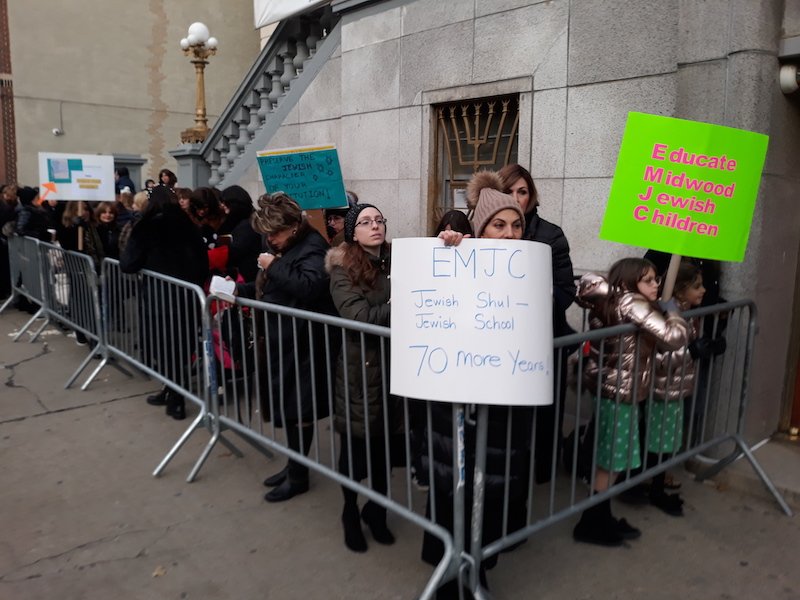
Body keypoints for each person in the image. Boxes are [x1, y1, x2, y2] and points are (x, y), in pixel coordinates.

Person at [424, 170, 530, 598]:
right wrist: (448, 251)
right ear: (481, 229)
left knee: (492, 488)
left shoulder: (529, 269)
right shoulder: (456, 260)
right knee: (455, 486)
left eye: (517, 224)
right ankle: (451, 569)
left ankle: (480, 565)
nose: (509, 234)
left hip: (502, 402)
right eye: (498, 225)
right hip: (457, 402)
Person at [573, 258, 689, 546]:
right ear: (629, 281)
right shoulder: (632, 304)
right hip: (619, 391)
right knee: (612, 461)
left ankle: (599, 516)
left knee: (612, 458)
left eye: (655, 279)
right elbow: (675, 337)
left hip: (614, 388)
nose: (656, 285)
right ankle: (592, 522)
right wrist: (673, 313)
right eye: (648, 280)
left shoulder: (613, 300)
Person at [236, 192, 337, 503]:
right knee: (291, 410)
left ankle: (298, 476)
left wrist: (271, 266)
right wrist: (240, 290)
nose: (270, 240)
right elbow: (278, 287)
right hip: (285, 341)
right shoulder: (290, 245)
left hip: (304, 345)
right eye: (267, 234)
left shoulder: (313, 246)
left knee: (300, 411)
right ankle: (295, 466)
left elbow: (308, 287)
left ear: (294, 226)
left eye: (275, 233)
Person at [499, 163, 576, 484]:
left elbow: (566, 289)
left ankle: (542, 468)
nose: (516, 198)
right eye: (509, 191)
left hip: (544, 338)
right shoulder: (486, 230)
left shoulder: (551, 235)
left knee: (545, 408)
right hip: (500, 340)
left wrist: (535, 299)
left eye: (523, 191)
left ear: (531, 196)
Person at [326, 202, 396, 553]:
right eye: (366, 222)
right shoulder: (342, 269)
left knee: (384, 448)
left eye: (379, 220)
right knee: (355, 450)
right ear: (353, 232)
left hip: (394, 370)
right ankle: (350, 512)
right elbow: (360, 317)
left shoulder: (399, 259)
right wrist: (407, 305)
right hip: (360, 372)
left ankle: (377, 512)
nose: (375, 226)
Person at [120, 185, 209, 420]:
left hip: (159, 301)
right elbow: (202, 263)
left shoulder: (147, 226)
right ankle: (170, 391)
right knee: (179, 350)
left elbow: (128, 263)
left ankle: (177, 398)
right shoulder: (189, 226)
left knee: (164, 350)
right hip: (187, 300)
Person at [219, 185, 261, 282]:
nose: (224, 208)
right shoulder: (243, 221)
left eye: (226, 205)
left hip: (248, 274)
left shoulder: (246, 226)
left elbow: (236, 252)